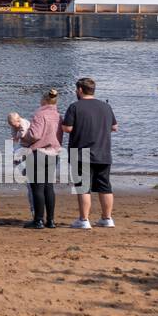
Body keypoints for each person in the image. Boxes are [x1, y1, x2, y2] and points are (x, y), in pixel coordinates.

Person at [62, 77, 118, 230]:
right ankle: (107, 218)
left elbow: (67, 128)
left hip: (81, 152)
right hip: (103, 151)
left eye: (76, 89)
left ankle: (84, 219)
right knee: (105, 186)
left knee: (83, 187)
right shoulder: (106, 107)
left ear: (80, 90)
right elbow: (115, 127)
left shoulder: (75, 107)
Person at [21, 88, 64, 230]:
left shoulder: (40, 114)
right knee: (48, 187)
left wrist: (23, 139)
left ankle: (38, 220)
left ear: (44, 100)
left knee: (37, 188)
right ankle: (50, 221)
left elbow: (34, 135)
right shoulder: (58, 115)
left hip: (39, 153)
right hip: (54, 153)